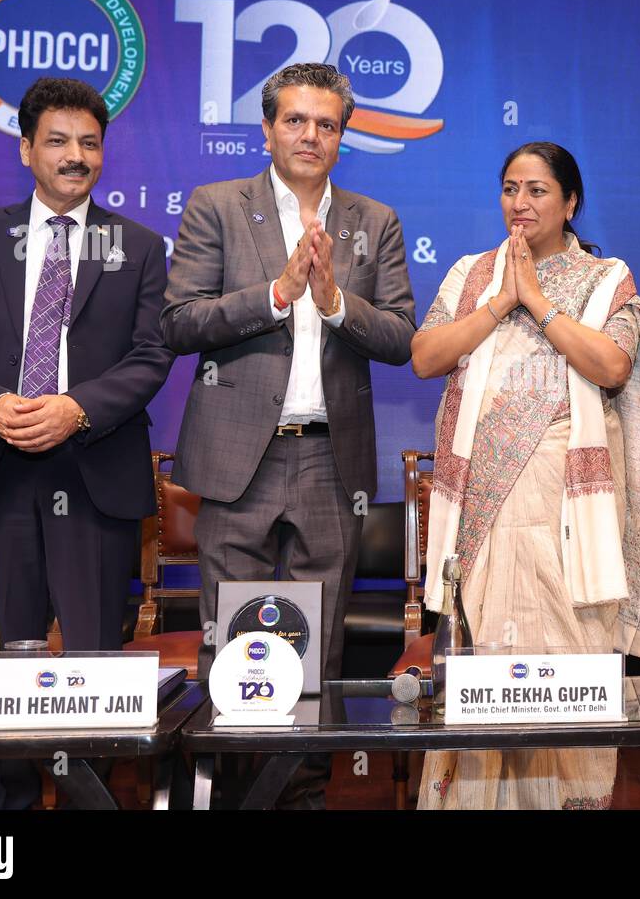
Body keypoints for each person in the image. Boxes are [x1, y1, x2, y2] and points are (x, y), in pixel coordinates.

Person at [0, 77, 174, 808]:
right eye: (58, 141)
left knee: (94, 672)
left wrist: (76, 409)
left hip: (93, 471)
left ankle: (91, 801)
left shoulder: (142, 246)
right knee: (3, 670)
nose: (75, 156)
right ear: (27, 148)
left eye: (90, 143)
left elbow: (151, 356)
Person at [162, 63, 415, 807]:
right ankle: (231, 788)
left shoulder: (374, 221)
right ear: (268, 128)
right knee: (231, 643)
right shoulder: (217, 206)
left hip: (331, 464)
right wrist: (277, 293)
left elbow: (401, 337)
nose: (312, 135)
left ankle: (300, 794)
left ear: (344, 135)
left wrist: (337, 303)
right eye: (296, 121)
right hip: (237, 456)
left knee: (317, 645)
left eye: (327, 124)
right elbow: (179, 321)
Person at [411, 142, 640, 809]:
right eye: (510, 189)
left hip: (566, 509)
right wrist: (503, 302)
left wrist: (542, 305)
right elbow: (425, 357)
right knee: (484, 674)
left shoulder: (605, 277)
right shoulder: (472, 273)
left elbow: (613, 368)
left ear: (570, 202)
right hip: (482, 509)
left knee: (566, 668)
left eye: (536, 191)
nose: (520, 204)